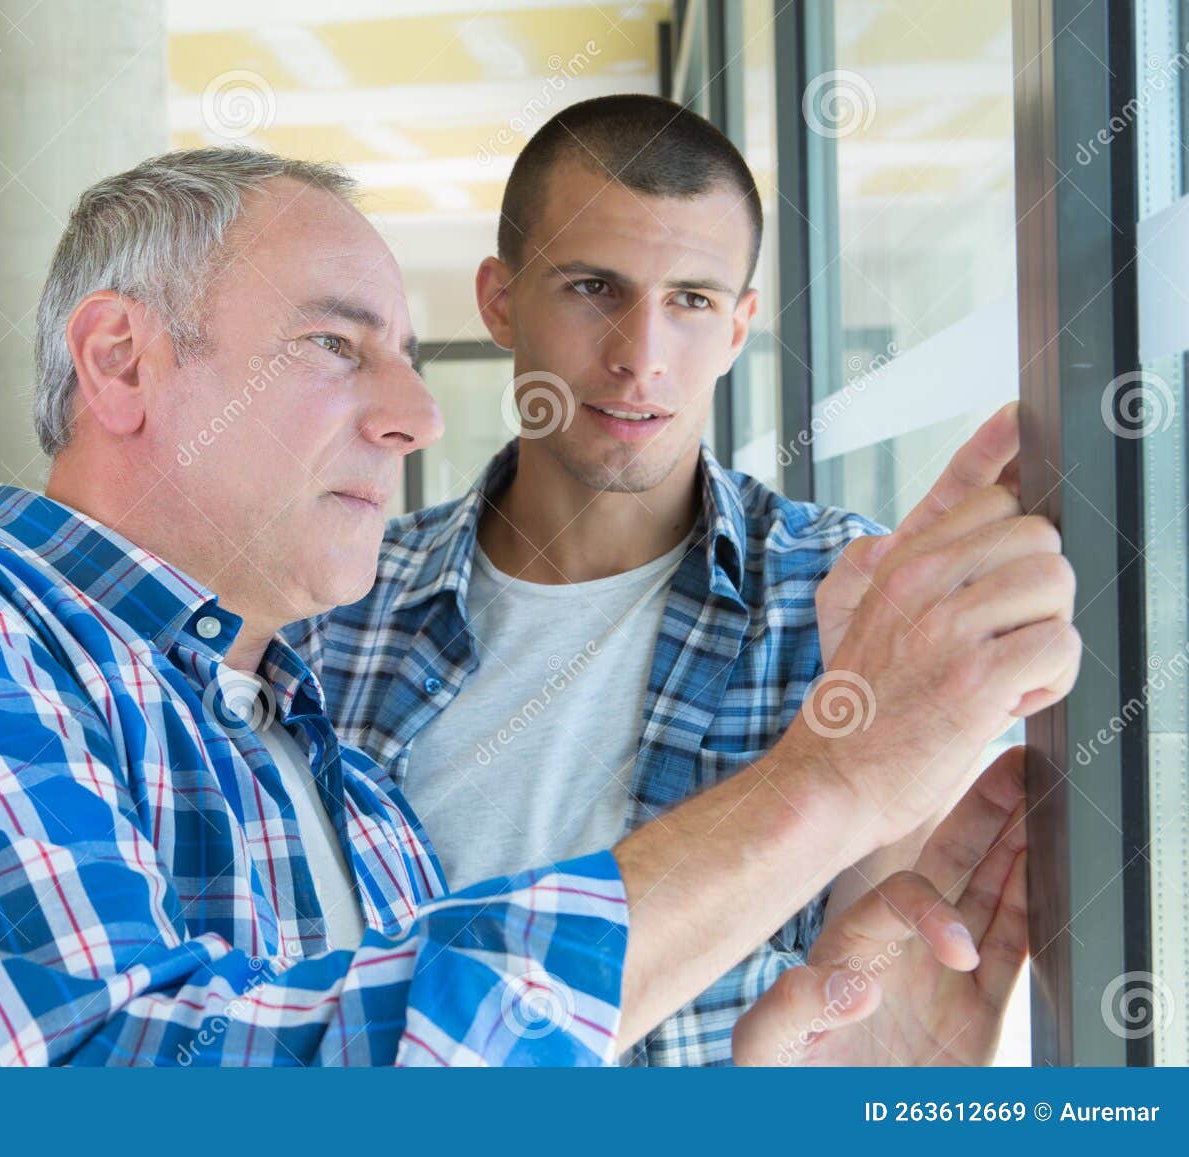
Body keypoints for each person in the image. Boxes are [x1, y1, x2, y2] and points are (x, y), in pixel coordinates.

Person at [0, 146, 1075, 1066]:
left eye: (403, 357)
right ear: (122, 362)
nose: (412, 415)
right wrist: (821, 786)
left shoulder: (340, 789)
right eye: (339, 346)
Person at [288, 94, 1054, 1064]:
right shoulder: (335, 609)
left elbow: (879, 1000)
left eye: (689, 299)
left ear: (738, 327)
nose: (639, 357)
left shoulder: (850, 597)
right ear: (497, 298)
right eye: (591, 287)